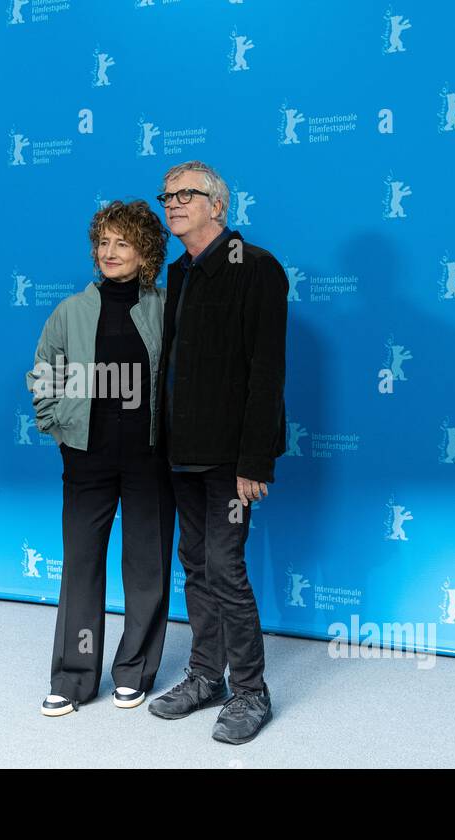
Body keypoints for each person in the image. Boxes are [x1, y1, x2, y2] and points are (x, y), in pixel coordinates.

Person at [147, 160, 288, 744]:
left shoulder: (256, 267)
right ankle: (206, 676)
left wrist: (256, 461)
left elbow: (267, 370)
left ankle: (251, 691)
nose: (174, 203)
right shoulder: (178, 274)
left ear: (218, 206)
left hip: (232, 459)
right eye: (168, 195)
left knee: (226, 569)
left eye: (187, 194)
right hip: (182, 451)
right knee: (196, 564)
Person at [25, 200, 177, 716]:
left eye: (123, 243)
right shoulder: (70, 310)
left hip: (149, 460)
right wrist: (60, 426)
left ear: (146, 253)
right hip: (86, 460)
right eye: (103, 242)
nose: (109, 252)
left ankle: (134, 670)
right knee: (81, 567)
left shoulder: (165, 305)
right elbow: (44, 372)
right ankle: (73, 676)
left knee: (147, 568)